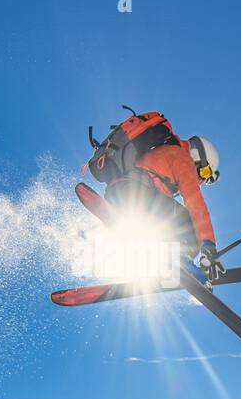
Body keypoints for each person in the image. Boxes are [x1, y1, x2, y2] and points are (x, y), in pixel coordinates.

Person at [88, 109, 225, 283]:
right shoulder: (182, 158)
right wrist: (208, 245)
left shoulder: (164, 155)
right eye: (204, 172)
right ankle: (180, 262)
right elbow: (195, 202)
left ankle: (156, 257)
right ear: (198, 157)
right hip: (136, 193)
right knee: (186, 221)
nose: (201, 179)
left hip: (120, 194)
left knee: (163, 227)